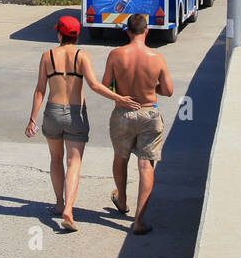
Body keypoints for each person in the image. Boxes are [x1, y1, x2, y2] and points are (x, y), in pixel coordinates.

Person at [26, 15, 139, 230]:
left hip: (52, 111)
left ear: (59, 33)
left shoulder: (47, 56)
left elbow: (40, 89)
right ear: (76, 35)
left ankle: (59, 203)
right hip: (76, 114)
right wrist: (119, 98)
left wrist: (32, 119)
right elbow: (95, 85)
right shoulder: (82, 55)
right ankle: (69, 208)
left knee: (55, 159)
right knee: (73, 163)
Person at [102, 14, 173, 234]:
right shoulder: (157, 57)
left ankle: (122, 200)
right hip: (149, 113)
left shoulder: (115, 55)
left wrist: (121, 95)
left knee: (120, 158)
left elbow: (106, 85)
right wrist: (152, 89)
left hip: (123, 113)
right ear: (147, 31)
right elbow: (168, 91)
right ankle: (139, 221)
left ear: (128, 31)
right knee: (145, 164)